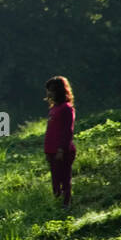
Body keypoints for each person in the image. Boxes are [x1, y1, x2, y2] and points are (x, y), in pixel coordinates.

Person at [43, 76, 76, 209]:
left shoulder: (66, 108)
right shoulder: (54, 108)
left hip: (62, 151)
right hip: (51, 150)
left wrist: (61, 149)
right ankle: (58, 203)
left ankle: (66, 204)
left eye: (52, 90)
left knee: (64, 178)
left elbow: (68, 131)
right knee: (55, 180)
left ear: (60, 91)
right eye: (48, 90)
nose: (49, 93)